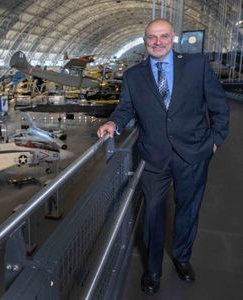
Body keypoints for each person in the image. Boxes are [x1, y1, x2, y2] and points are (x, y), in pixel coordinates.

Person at [97, 19, 229, 294]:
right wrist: (114, 124)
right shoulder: (134, 75)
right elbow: (126, 109)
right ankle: (152, 270)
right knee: (154, 213)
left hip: (193, 153)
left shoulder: (196, 65)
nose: (158, 42)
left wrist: (214, 142)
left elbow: (219, 107)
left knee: (187, 210)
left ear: (173, 38)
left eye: (163, 36)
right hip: (154, 154)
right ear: (145, 41)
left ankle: (182, 258)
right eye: (152, 38)